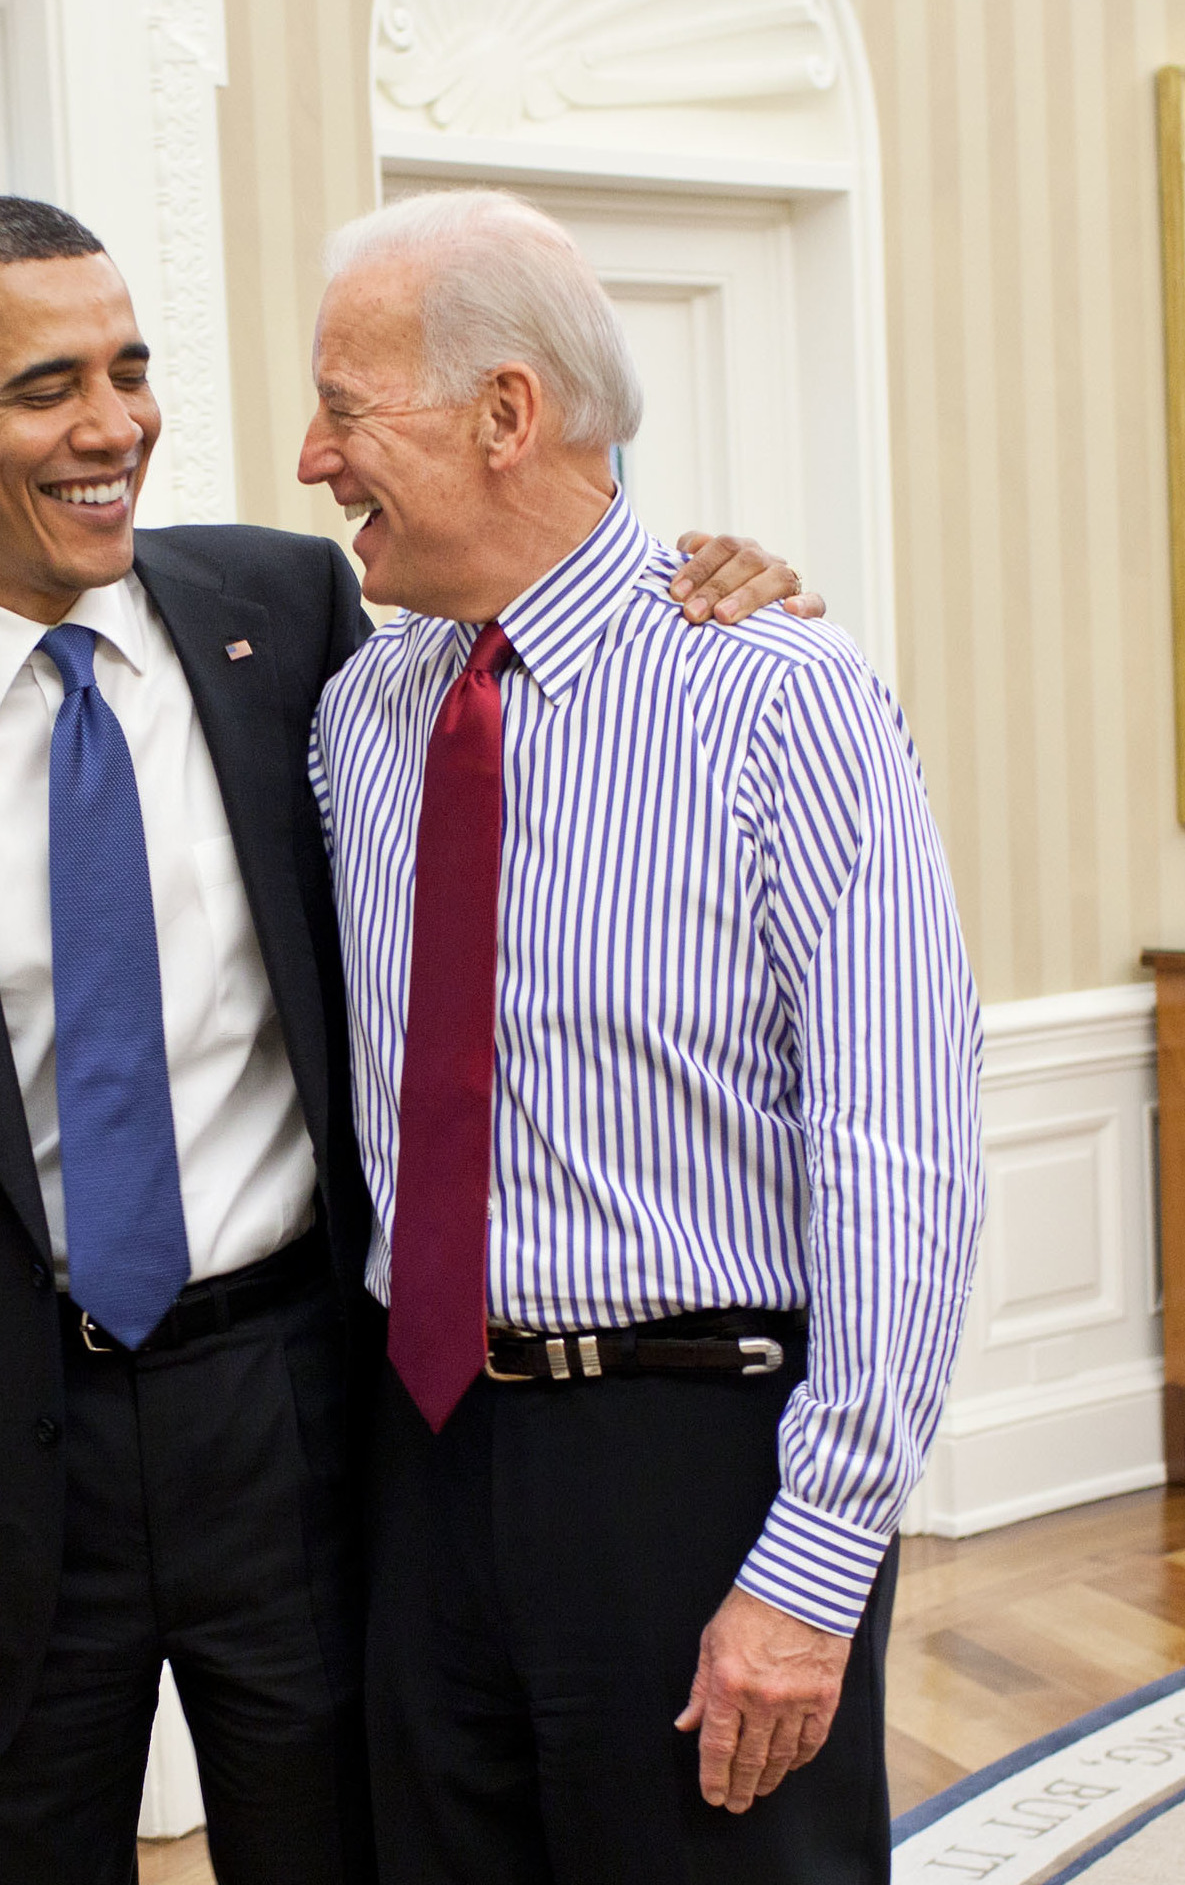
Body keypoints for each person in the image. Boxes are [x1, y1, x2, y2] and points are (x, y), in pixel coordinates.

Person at [0, 193, 814, 1885]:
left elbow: (531, 636)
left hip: (297, 1420)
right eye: (45, 386)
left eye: (129, 370)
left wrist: (698, 571)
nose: (111, 426)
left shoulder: (286, 621)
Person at [303, 188, 985, 1884]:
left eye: (342, 411)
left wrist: (812, 1566)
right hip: (422, 1450)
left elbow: (900, 1150)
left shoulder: (783, 699)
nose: (313, 461)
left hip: (692, 1465)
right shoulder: (356, 710)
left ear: (506, 415)